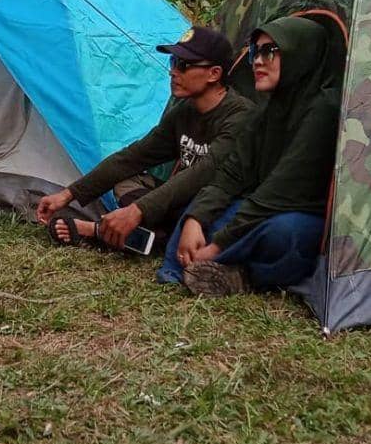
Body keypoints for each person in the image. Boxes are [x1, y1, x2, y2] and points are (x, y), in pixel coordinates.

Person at [159, 15, 340, 295]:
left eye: (270, 51)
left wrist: (217, 245)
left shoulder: (324, 109)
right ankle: (179, 270)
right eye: (255, 51)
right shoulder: (266, 110)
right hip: (259, 207)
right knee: (205, 209)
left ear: (300, 54)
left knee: (283, 234)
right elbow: (230, 174)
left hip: (300, 216)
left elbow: (279, 188)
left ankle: (240, 274)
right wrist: (195, 219)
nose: (257, 61)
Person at [36, 26, 251, 253]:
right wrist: (68, 194)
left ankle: (98, 231)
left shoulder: (240, 117)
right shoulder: (184, 112)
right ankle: (143, 234)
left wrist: (137, 210)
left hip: (216, 206)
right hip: (181, 201)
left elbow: (203, 173)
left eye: (183, 65)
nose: (173, 72)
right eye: (173, 62)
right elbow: (134, 157)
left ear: (214, 74)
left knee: (206, 220)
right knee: (127, 181)